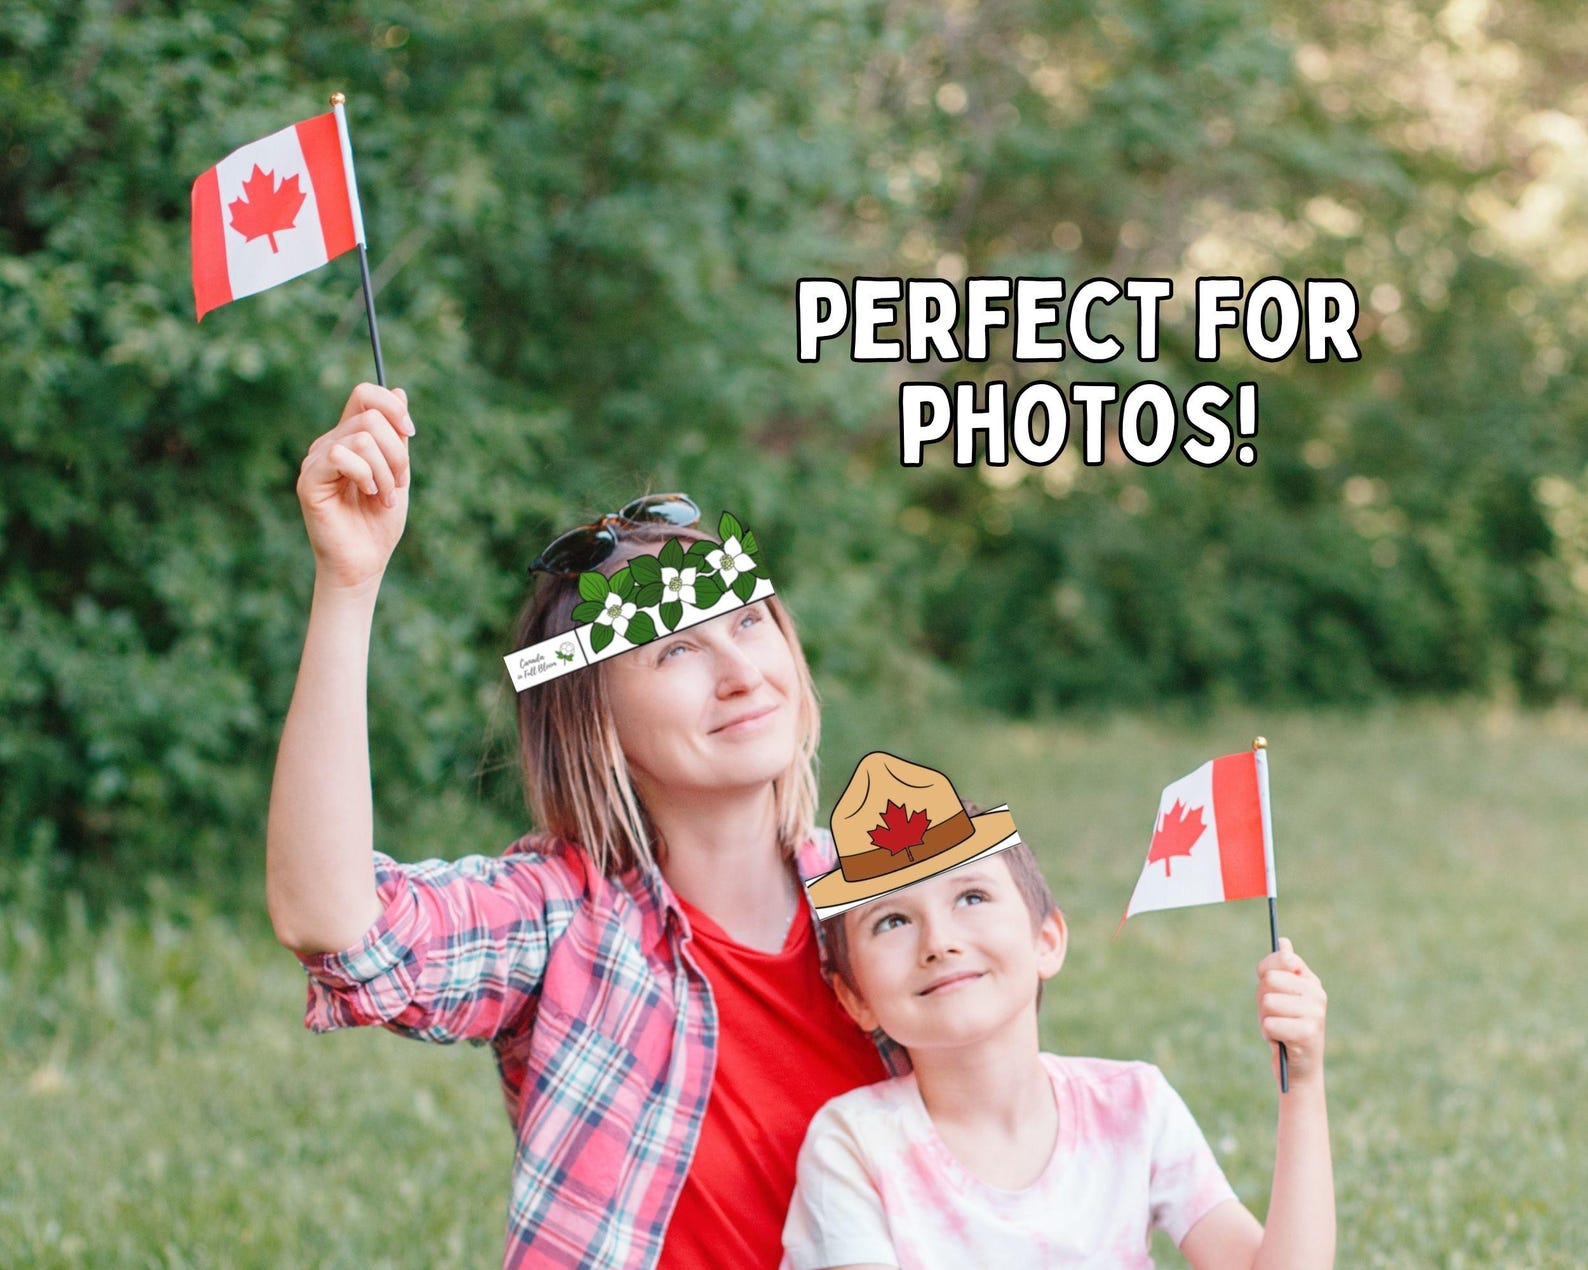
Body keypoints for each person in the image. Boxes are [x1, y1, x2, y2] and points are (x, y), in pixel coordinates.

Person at [265, 383, 903, 1270]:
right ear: (592, 718)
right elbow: (336, 926)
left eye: (748, 621)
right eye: (675, 649)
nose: (740, 672)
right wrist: (347, 584)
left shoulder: (891, 898)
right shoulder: (564, 922)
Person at [782, 753, 1335, 1270]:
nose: (939, 941)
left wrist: (1303, 1086)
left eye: (971, 897)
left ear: (1046, 940)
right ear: (854, 998)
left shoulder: (1133, 1107)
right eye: (892, 921)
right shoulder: (854, 1146)